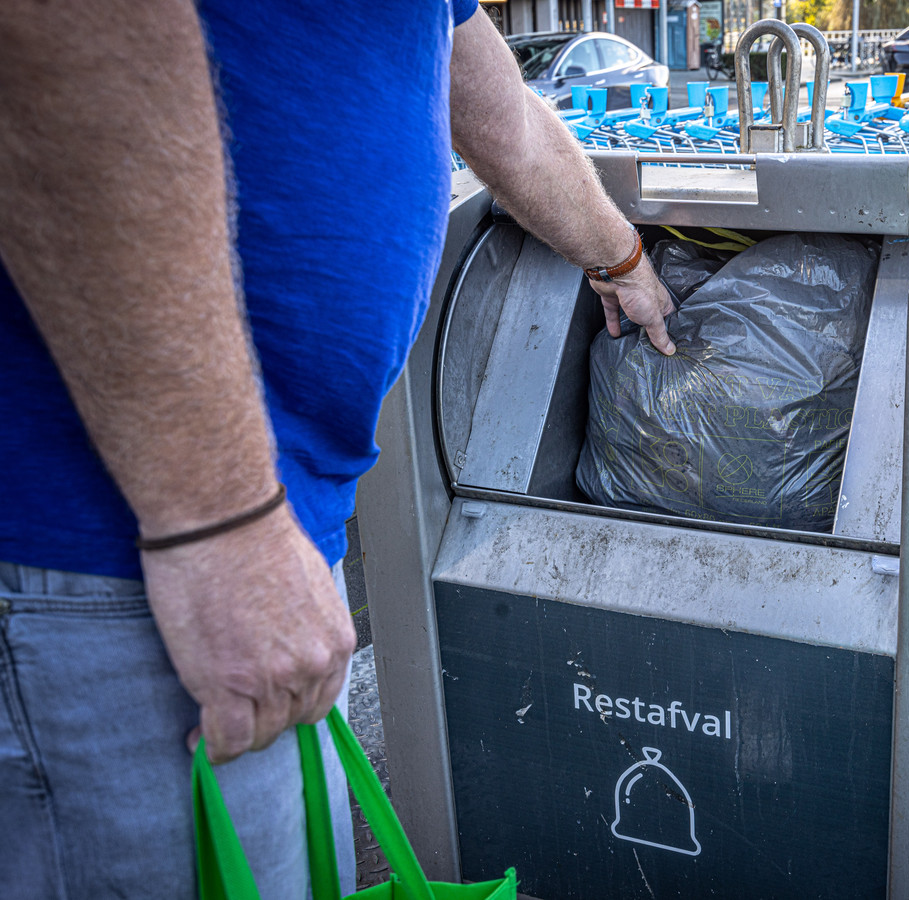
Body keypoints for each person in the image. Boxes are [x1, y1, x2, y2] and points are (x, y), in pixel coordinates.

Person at [0, 0, 673, 896]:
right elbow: (63, 42)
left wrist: (620, 259)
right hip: (118, 541)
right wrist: (218, 523)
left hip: (255, 521)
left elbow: (499, 116)